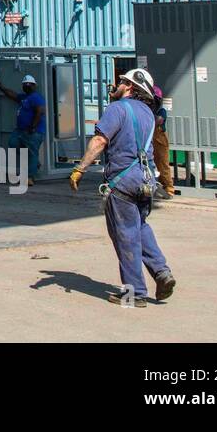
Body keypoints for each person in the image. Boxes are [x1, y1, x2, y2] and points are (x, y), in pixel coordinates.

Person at [69, 69, 177, 308]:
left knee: (125, 234)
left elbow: (99, 141)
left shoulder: (116, 109)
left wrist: (81, 168)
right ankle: (161, 271)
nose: (116, 84)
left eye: (121, 82)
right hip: (146, 180)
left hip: (123, 181)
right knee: (140, 226)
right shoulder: (148, 114)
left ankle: (135, 293)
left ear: (130, 87)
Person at [0, 73, 45, 186]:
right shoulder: (24, 97)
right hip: (20, 130)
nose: (27, 86)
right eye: (25, 84)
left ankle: (29, 177)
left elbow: (40, 111)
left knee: (32, 153)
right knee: (13, 143)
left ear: (34, 86)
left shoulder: (36, 97)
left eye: (29, 84)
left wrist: (33, 127)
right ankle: (35, 163)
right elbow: (12, 95)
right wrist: (1, 87)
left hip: (33, 131)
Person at [150, 86, 175, 200]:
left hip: (160, 141)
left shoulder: (161, 111)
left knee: (163, 165)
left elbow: (158, 120)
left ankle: (169, 189)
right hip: (149, 140)